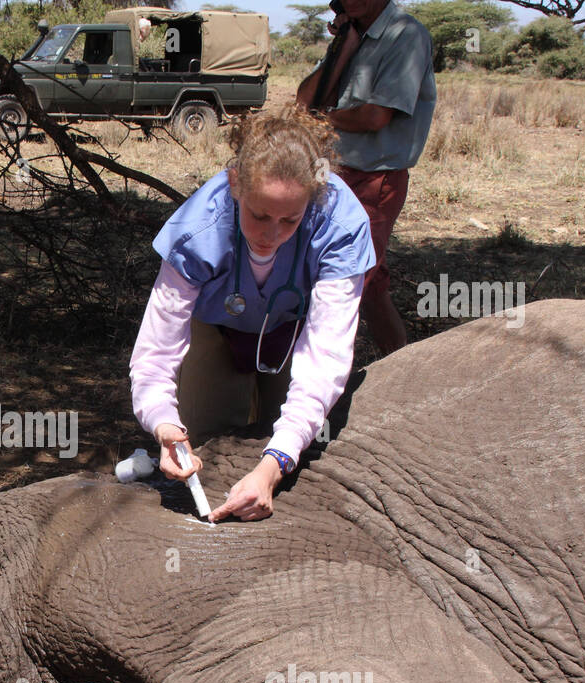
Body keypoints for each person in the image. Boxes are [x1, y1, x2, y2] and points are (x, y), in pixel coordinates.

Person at [129, 105, 374, 523]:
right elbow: (155, 354)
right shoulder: (198, 229)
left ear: (311, 203)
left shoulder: (342, 225)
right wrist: (164, 424)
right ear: (235, 184)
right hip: (216, 328)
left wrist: (274, 462)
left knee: (297, 454)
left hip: (294, 332)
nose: (271, 234)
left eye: (290, 220)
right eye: (259, 214)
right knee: (206, 450)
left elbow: (325, 357)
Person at [295, 0, 435, 356]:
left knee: (351, 279)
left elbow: (374, 117)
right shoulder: (352, 35)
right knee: (364, 279)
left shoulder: (406, 35)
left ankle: (322, 374)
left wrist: (323, 116)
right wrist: (344, 49)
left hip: (375, 178)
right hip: (331, 173)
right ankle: (398, 362)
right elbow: (303, 100)